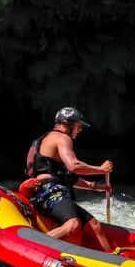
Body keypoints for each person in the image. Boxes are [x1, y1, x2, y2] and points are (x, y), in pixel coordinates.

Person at [25, 107, 114, 252]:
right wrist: (100, 169)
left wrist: (97, 186)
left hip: (51, 190)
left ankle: (112, 262)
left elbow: (69, 177)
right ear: (69, 124)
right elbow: (73, 166)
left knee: (95, 225)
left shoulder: (50, 139)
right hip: (49, 191)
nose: (80, 130)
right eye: (78, 126)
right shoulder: (62, 138)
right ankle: (32, 248)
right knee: (73, 224)